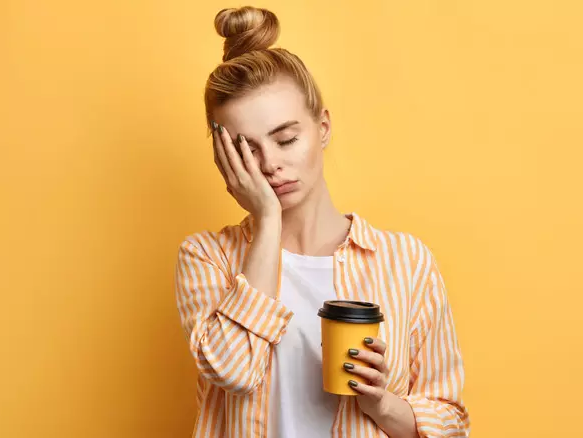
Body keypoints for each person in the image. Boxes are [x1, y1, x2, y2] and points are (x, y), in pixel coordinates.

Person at [175, 6, 470, 438]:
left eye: (286, 139)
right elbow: (234, 372)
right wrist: (268, 220)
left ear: (323, 127)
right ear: (225, 160)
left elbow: (450, 423)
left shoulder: (407, 263)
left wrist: (382, 402)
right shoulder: (207, 258)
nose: (271, 164)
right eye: (247, 150)